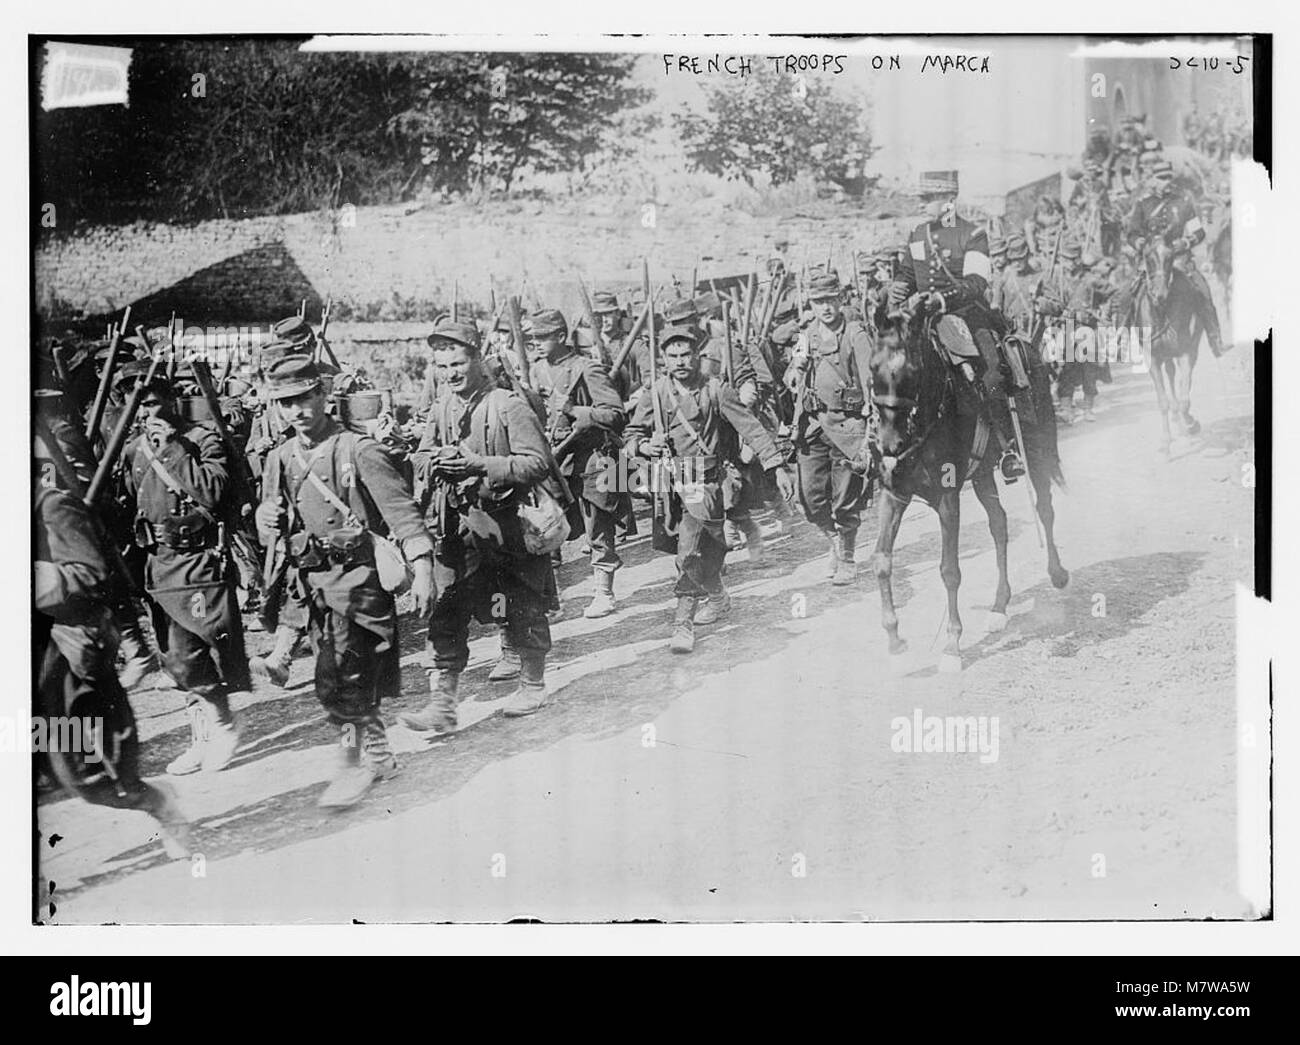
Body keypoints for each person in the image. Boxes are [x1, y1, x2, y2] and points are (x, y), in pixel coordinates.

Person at [255, 356, 435, 809]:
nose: (296, 410)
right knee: (338, 679)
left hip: (357, 584)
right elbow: (270, 527)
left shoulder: (359, 450)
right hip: (312, 586)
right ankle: (379, 754)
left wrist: (424, 567)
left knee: (342, 676)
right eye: (286, 402)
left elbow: (402, 512)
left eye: (304, 398)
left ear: (323, 395)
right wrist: (264, 519)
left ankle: (351, 767)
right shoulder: (281, 457)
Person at [404, 319, 564, 726]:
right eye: (442, 367)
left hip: (509, 527)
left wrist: (480, 465)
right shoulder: (441, 408)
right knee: (448, 609)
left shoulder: (507, 404)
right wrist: (433, 461)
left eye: (457, 364)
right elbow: (420, 456)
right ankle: (443, 704)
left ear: (477, 359)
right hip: (460, 529)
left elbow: (539, 462)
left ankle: (532, 687)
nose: (451, 374)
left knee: (523, 605)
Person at [34, 465, 191, 869]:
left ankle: (160, 804)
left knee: (88, 779)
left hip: (62, 662)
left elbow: (92, 573)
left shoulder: (52, 507)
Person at [626, 326, 793, 653]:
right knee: (688, 552)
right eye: (672, 356)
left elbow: (752, 428)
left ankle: (682, 624)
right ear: (663, 359)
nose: (679, 362)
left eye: (685, 354)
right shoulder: (657, 393)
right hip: (670, 487)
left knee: (689, 552)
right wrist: (646, 444)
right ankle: (718, 596)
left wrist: (776, 465)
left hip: (707, 485)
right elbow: (630, 435)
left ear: (697, 355)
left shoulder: (716, 390)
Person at [121, 375, 249, 776]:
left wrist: (174, 448)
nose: (147, 413)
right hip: (158, 561)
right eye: (138, 405)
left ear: (172, 401)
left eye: (154, 403)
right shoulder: (132, 450)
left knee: (196, 651)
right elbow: (129, 503)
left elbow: (214, 491)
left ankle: (224, 723)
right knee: (175, 659)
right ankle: (203, 736)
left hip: (198, 561)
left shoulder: (202, 439)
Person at [889, 169, 1025, 481]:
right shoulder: (917, 235)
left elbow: (977, 282)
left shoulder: (974, 234)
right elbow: (908, 276)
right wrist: (899, 286)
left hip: (966, 316)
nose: (923, 205)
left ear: (949, 200)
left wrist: (943, 299)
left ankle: (1007, 448)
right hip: (924, 319)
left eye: (929, 199)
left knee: (991, 372)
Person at [525, 308, 627, 619]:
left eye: (543, 337)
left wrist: (575, 410)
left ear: (560, 336)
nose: (537, 343)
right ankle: (550, 599)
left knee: (598, 525)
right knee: (545, 527)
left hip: (592, 457)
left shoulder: (588, 369)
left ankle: (603, 592)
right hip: (554, 459)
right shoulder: (535, 371)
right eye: (533, 338)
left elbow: (616, 415)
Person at [787, 271, 875, 584]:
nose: (825, 307)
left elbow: (870, 382)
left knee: (845, 499)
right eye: (818, 301)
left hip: (848, 427)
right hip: (813, 426)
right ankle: (833, 540)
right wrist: (795, 369)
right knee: (811, 498)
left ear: (840, 299)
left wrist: (869, 431)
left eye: (830, 300)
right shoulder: (805, 335)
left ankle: (848, 557)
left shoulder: (855, 334)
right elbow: (790, 379)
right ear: (811, 303)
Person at [1125, 159, 1225, 356]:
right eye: (1161, 178)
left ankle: (1215, 340)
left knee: (1203, 291)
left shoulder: (1184, 203)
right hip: (1152, 263)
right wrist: (1141, 243)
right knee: (1125, 296)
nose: (1166, 182)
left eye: (1168, 177)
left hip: (1179, 260)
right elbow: (1132, 233)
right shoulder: (1143, 205)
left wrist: (1186, 242)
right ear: (1153, 180)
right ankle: (1122, 341)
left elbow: (1199, 232)